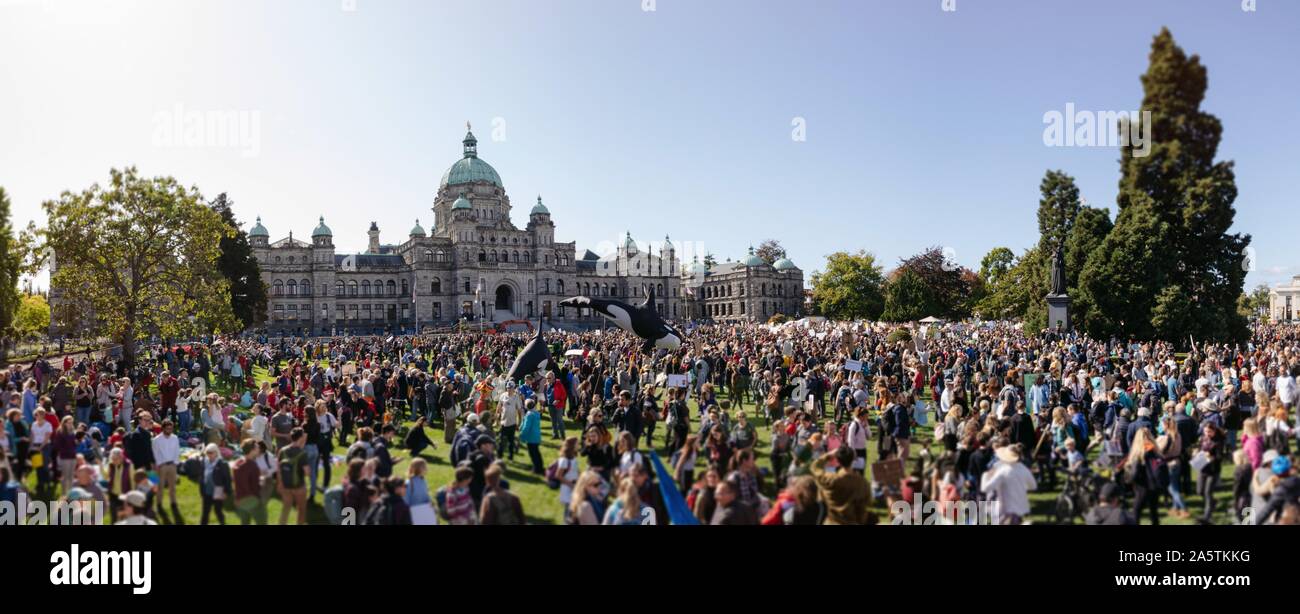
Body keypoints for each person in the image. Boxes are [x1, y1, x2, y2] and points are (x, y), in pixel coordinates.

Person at [809, 445, 871, 525]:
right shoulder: (862, 483)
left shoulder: (830, 479)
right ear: (853, 459)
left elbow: (814, 467)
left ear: (837, 460)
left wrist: (829, 455)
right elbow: (867, 503)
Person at [980, 443, 1038, 525]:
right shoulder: (1023, 468)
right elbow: (1033, 486)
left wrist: (985, 475)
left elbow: (985, 488)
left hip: (1005, 508)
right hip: (1020, 507)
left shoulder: (1003, 471)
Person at [277, 427, 309, 525]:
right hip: (299, 485)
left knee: (286, 508)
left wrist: (280, 483)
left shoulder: (282, 450)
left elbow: (278, 468)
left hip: (285, 485)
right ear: (300, 437)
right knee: (301, 509)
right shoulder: (302, 453)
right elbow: (307, 472)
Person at [232, 439, 268, 525]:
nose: (259, 449)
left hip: (239, 501)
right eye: (257, 447)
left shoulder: (238, 463)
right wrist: (262, 481)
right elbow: (256, 487)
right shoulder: (253, 466)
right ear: (252, 450)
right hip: (252, 500)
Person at [152, 419, 181, 515]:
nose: (169, 430)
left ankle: (173, 502)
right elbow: (155, 453)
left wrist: (175, 463)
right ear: (163, 428)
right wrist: (159, 464)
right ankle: (159, 504)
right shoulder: (157, 440)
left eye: (171, 428)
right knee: (160, 487)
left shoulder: (175, 438)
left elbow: (177, 451)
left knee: (172, 486)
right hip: (162, 466)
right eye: (167, 428)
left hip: (172, 465)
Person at [199, 443, 230, 525]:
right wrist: (201, 489)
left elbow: (227, 479)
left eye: (211, 452)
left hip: (218, 491)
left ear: (216, 452)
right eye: (207, 452)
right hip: (207, 491)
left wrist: (226, 492)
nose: (209, 454)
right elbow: (201, 476)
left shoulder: (222, 463)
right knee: (205, 512)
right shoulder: (204, 462)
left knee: (218, 510)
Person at [519, 399, 544, 474]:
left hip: (531, 437)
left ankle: (536, 469)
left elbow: (526, 427)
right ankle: (540, 467)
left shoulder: (529, 415)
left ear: (526, 406)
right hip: (537, 436)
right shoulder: (536, 413)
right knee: (537, 452)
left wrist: (522, 436)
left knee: (533, 454)